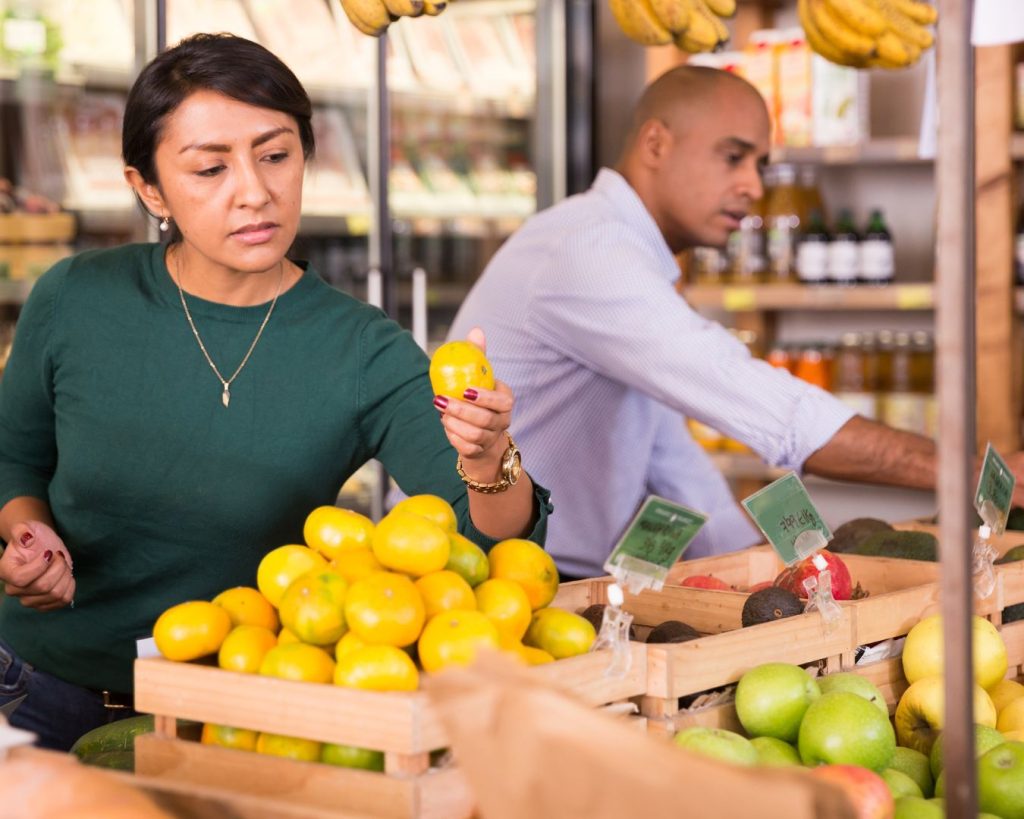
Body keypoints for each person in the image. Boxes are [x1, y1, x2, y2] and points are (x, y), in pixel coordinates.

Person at [0, 33, 550, 751]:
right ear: (148, 188)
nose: (255, 192)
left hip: (227, 718)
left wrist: (487, 456)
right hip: (30, 689)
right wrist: (26, 533)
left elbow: (490, 545)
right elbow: (15, 455)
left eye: (275, 155)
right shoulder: (76, 297)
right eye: (210, 168)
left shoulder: (362, 349)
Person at [449, 64, 1024, 581]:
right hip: (484, 575)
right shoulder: (589, 252)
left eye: (761, 165)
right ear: (656, 143)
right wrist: (978, 475)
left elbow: (671, 458)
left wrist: (776, 569)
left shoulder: (630, 257)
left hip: (556, 576)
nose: (754, 186)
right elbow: (776, 413)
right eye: (733, 157)